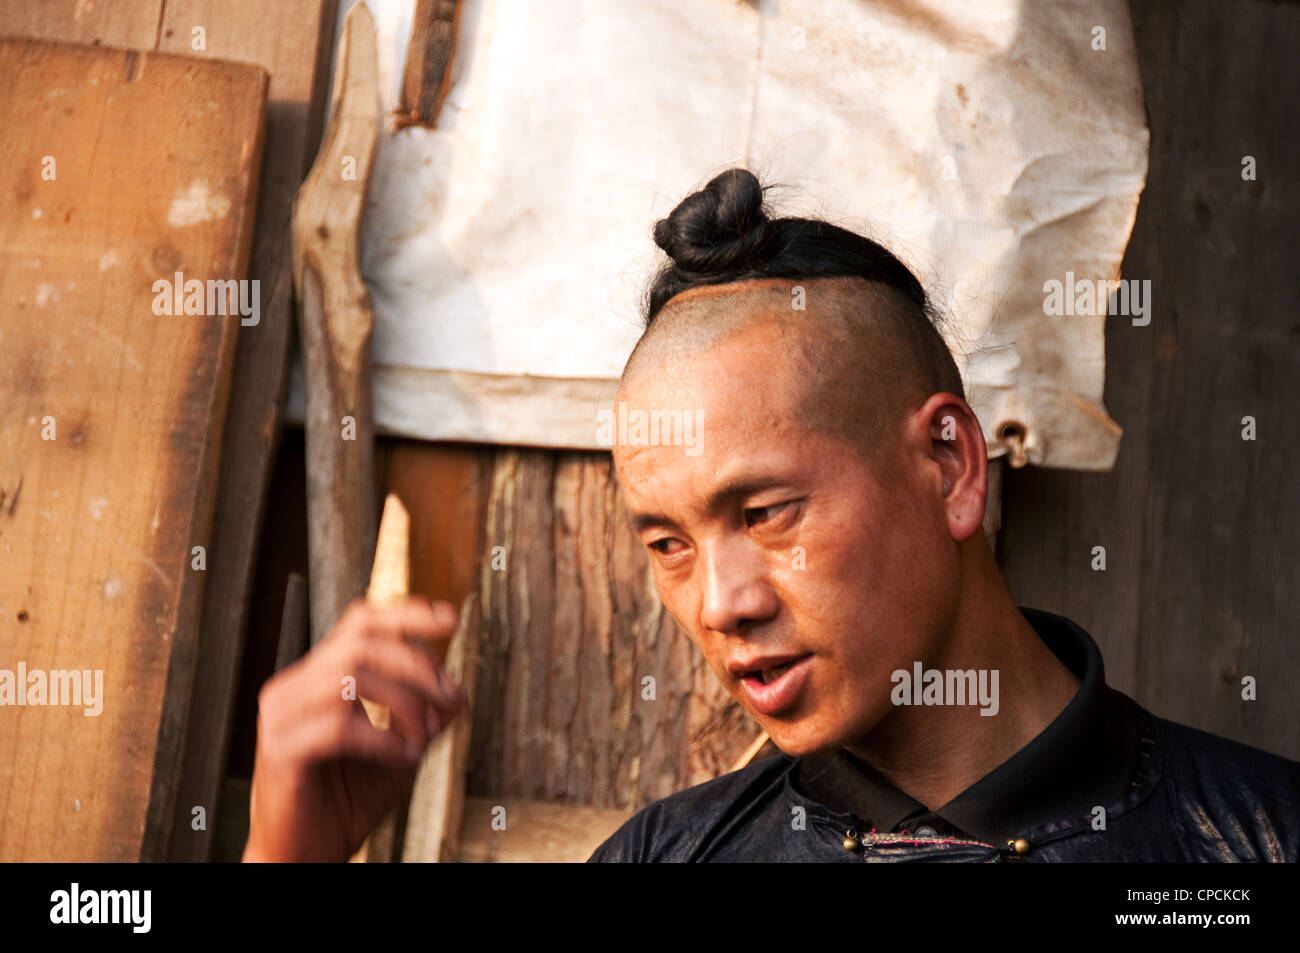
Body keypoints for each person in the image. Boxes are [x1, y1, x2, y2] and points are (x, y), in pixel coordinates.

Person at [243, 169, 1300, 863]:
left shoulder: (1249, 839)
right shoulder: (668, 859)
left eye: (765, 510)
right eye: (667, 542)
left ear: (949, 463)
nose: (720, 601)